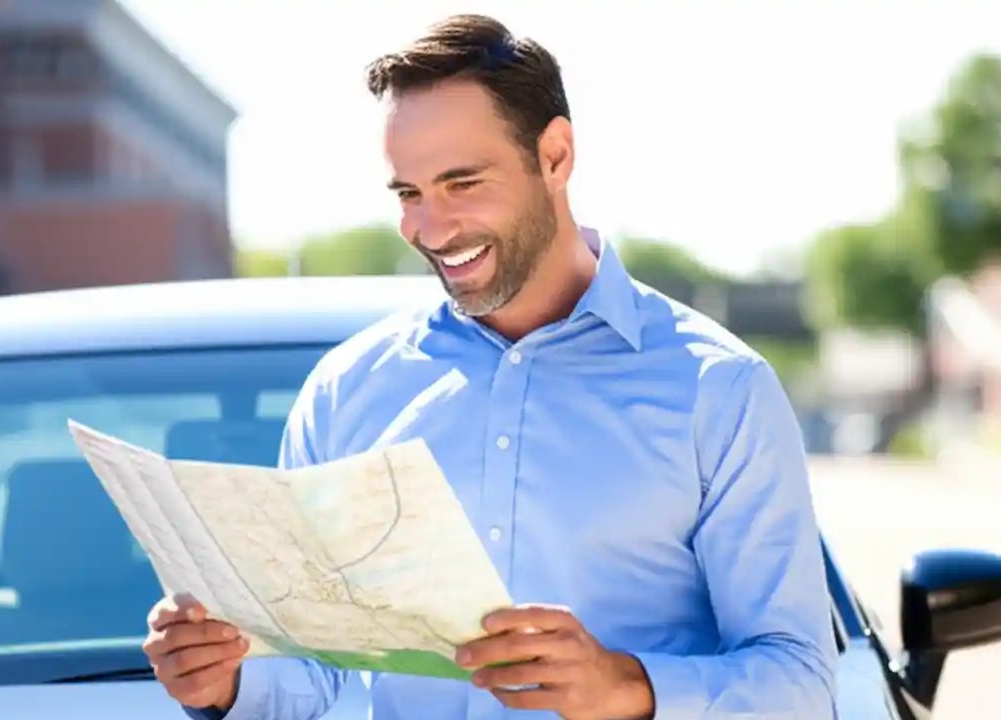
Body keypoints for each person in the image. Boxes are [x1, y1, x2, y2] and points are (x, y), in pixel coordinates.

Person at [143, 13, 838, 720]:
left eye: (462, 183)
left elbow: (802, 682)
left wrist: (626, 686)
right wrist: (226, 683)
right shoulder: (347, 392)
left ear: (556, 157)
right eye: (409, 194)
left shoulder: (717, 391)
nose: (431, 228)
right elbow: (317, 674)